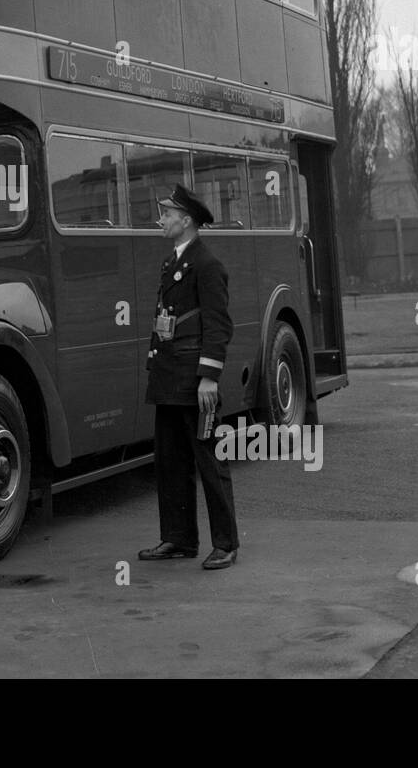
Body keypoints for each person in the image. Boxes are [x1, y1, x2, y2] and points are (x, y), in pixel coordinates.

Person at [138, 183, 240, 569]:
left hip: (196, 383)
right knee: (171, 461)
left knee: (210, 461)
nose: (160, 220)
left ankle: (226, 544)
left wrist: (209, 378)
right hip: (169, 377)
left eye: (166, 214)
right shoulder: (173, 263)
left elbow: (218, 326)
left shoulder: (207, 265)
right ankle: (179, 539)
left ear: (186, 220)